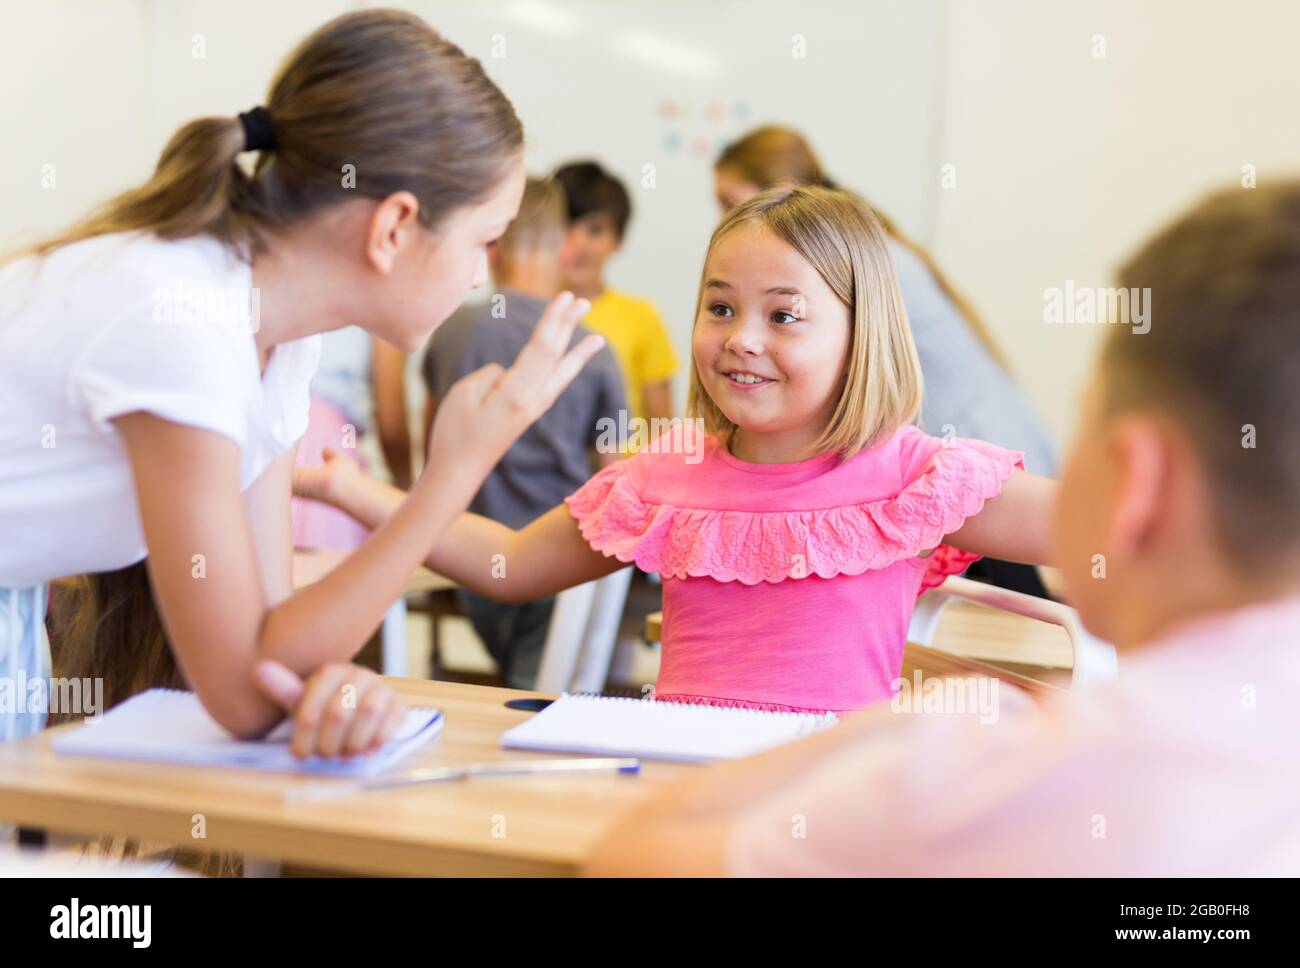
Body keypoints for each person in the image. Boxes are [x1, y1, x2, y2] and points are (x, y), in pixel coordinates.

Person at [585, 182, 1300, 876]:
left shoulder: (999, 775)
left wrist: (878, 739)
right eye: (719, 306)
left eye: (1078, 426)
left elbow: (627, 858)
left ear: (1136, 481)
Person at [0, 9, 602, 757]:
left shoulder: (280, 342)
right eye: (485, 240)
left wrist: (327, 685)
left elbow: (271, 644)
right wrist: (453, 475)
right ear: (392, 228)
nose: (483, 274)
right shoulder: (184, 324)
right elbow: (247, 693)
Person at [295, 187, 1054, 715]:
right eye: (719, 306)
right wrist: (356, 492)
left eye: (784, 315)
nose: (741, 338)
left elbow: (1099, 526)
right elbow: (512, 564)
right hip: (679, 795)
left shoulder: (917, 475)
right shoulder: (665, 475)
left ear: (863, 335)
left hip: (829, 811)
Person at [716, 125, 1058, 596]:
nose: (726, 221)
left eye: (732, 203)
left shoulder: (857, 262)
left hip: (984, 450)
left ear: (779, 197)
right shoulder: (860, 250)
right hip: (975, 442)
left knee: (1015, 614)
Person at [419, 176, 626, 688]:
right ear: (568, 245)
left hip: (466, 555)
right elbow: (616, 477)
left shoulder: (453, 328)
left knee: (512, 682)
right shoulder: (592, 348)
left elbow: (434, 446)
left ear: (493, 248)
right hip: (559, 558)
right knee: (537, 694)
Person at [553, 161, 679, 425]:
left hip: (626, 463)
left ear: (618, 241)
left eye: (595, 229)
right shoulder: (526, 312)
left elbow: (662, 427)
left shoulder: (641, 316)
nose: (579, 242)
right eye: (566, 225)